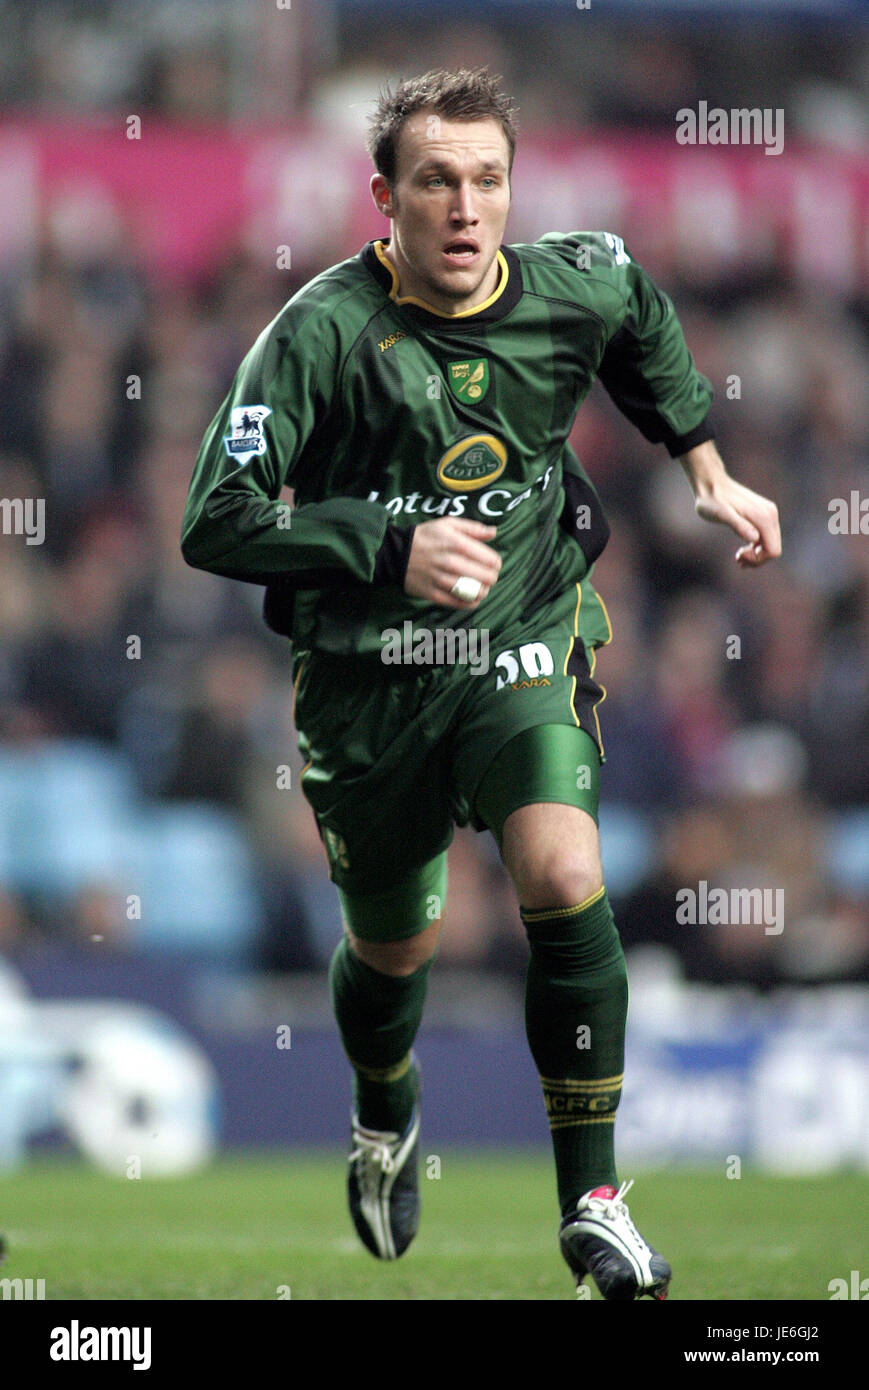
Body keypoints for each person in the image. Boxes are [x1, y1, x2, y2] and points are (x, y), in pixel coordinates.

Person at [181, 68, 781, 1300]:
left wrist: (703, 463)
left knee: (562, 871)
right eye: (436, 181)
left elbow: (637, 310)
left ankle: (593, 1203)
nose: (465, 207)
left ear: (512, 192)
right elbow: (214, 518)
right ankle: (384, 1103)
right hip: (373, 675)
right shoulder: (317, 334)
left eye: (487, 181)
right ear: (382, 198)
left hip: (519, 635)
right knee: (395, 947)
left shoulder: (568, 284)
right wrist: (387, 545)